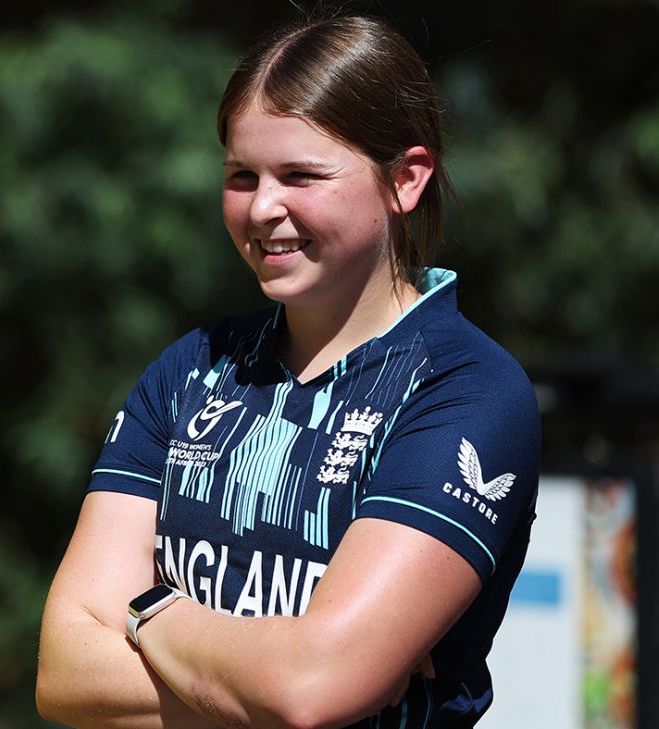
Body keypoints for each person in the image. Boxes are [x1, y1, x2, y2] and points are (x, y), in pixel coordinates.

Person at [36, 15, 540, 729]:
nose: (263, 208)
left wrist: (148, 613)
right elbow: (63, 672)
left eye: (301, 175)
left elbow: (312, 689)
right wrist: (278, 680)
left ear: (405, 179)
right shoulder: (191, 369)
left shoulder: (466, 388)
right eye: (242, 176)